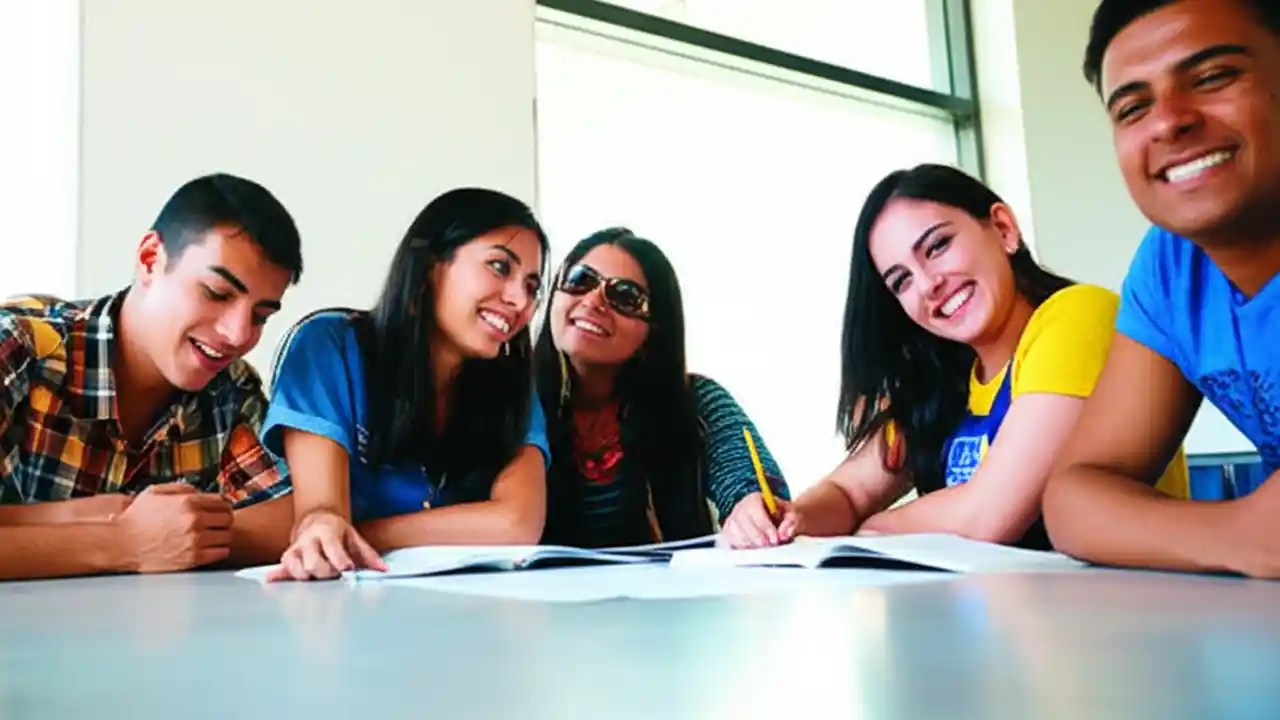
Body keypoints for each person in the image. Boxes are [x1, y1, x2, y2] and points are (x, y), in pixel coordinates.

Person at [741, 164, 1186, 551]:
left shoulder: (1078, 316)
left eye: (936, 246)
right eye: (901, 281)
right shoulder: (939, 382)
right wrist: (788, 518)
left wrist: (872, 529)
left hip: (1124, 625)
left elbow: (989, 516)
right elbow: (847, 492)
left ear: (1003, 228)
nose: (928, 284)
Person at [1044, 0, 1280, 577]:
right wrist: (1239, 535)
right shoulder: (1174, 265)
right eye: (1132, 108)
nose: (1169, 120)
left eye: (1213, 77)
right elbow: (1075, 496)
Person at [0, 172, 303, 580]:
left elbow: (289, 517)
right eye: (216, 293)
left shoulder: (230, 390)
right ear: (150, 259)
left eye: (261, 316)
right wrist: (122, 541)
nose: (238, 334)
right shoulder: (19, 347)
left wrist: (179, 532)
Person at [263, 188, 551, 581]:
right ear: (429, 266)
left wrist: (353, 536)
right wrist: (327, 531)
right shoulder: (328, 346)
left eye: (532, 286)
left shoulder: (513, 384)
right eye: (500, 267)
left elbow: (516, 525)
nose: (520, 300)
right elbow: (321, 514)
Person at [532, 227, 789, 550]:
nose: (593, 301)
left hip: (673, 596)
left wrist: (750, 508)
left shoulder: (696, 401)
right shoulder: (512, 401)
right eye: (581, 279)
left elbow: (751, 483)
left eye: (625, 296)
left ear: (654, 331)